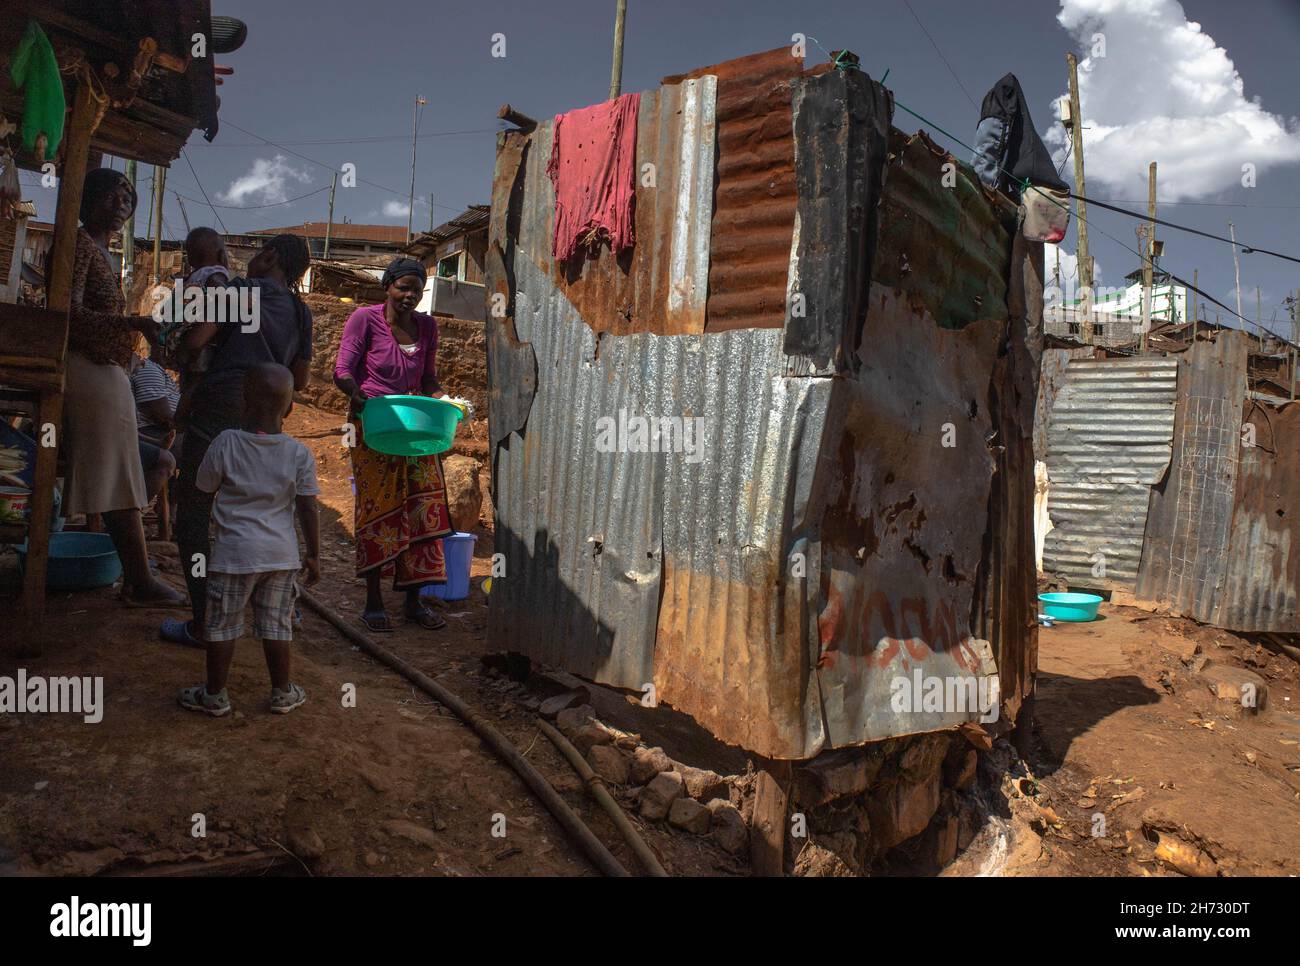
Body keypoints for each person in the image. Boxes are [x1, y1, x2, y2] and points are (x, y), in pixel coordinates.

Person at [161, 234, 313, 648]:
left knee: (194, 513)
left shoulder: (240, 291)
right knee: (264, 508)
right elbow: (298, 380)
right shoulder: (301, 311)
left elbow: (193, 342)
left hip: (223, 405)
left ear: (269, 256)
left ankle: (204, 622)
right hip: (270, 416)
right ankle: (277, 607)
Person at [60, 168, 184, 605]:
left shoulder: (99, 251)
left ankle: (137, 576)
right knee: (117, 473)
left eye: (128, 202)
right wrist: (134, 323)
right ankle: (138, 580)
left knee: (125, 473)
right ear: (88, 199)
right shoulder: (77, 245)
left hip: (106, 369)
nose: (122, 208)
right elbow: (67, 316)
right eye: (112, 198)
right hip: (87, 368)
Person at [178, 363, 320, 716]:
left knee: (222, 624)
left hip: (233, 554)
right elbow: (307, 508)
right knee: (276, 624)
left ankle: (214, 695)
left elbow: (203, 490)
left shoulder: (225, 443)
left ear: (242, 401)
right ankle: (282, 692)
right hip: (280, 556)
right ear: (289, 408)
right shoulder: (298, 454)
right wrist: (314, 554)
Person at [333, 256, 453, 632]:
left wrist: (445, 400)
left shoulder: (427, 327)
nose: (409, 296)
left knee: (422, 505)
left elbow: (429, 378)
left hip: (417, 429)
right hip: (375, 426)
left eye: (416, 290)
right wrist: (358, 398)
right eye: (403, 288)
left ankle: (415, 602)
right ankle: (374, 600)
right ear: (387, 287)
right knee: (379, 507)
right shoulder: (364, 320)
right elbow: (342, 371)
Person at [128, 355, 180, 503]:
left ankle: (175, 502)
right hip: (152, 431)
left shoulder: (157, 370)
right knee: (203, 449)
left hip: (161, 432)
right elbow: (163, 417)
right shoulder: (147, 369)